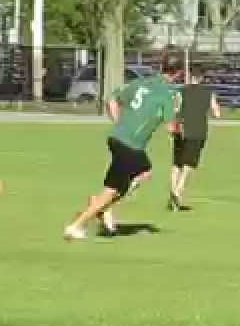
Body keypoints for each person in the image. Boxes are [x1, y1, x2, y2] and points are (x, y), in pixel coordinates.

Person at [63, 65, 178, 241]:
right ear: (178, 73)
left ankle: (101, 206)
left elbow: (112, 100)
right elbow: (171, 128)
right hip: (130, 146)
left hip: (117, 139)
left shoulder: (140, 82)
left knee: (142, 172)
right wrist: (180, 129)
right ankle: (78, 224)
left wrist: (119, 123)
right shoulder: (166, 94)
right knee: (114, 188)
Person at [167, 69, 219, 211]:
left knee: (177, 163)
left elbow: (175, 109)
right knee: (189, 163)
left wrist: (172, 125)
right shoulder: (209, 93)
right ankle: (178, 190)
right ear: (201, 78)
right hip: (197, 131)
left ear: (189, 77)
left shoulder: (180, 91)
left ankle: (172, 191)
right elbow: (216, 113)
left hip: (180, 129)